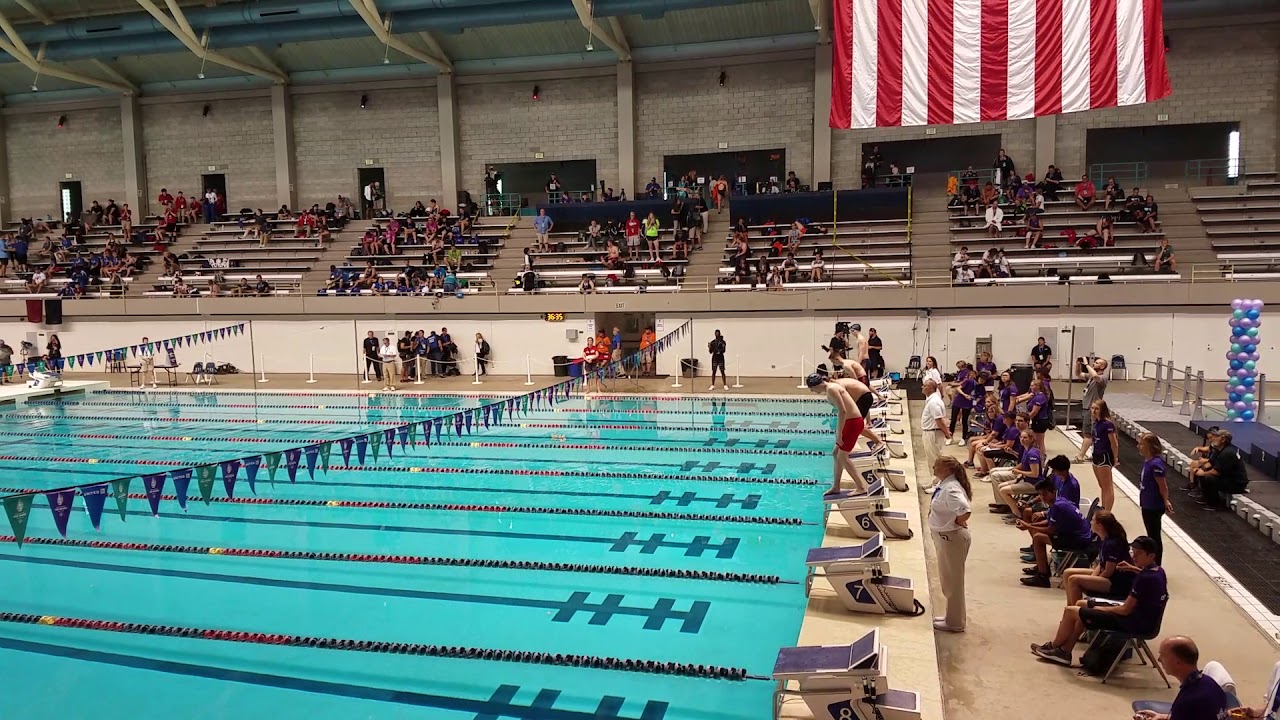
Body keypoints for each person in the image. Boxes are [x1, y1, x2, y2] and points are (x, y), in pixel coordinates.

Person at [1031, 535, 1167, 666]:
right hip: (1142, 619)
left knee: (1071, 611)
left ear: (1151, 556)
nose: (1133, 556)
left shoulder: (1144, 579)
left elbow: (1124, 610)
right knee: (1080, 604)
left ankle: (1056, 647)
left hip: (1131, 622)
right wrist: (1133, 569)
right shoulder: (1158, 572)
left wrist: (1099, 608)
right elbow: (1146, 579)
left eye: (1139, 553)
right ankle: (1065, 651)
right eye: (1134, 552)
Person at [1018, 475, 1093, 587]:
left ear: (1053, 492)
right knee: (1038, 534)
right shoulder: (1058, 501)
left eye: (1044, 494)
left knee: (1038, 538)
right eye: (1040, 494)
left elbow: (1050, 530)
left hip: (1079, 540)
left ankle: (1042, 576)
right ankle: (1042, 566)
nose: (1042, 497)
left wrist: (1028, 526)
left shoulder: (1058, 506)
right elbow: (1049, 522)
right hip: (1078, 535)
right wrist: (1030, 525)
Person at [806, 373, 873, 495]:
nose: (812, 391)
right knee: (835, 453)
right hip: (851, 422)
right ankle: (836, 486)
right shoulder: (831, 387)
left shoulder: (831, 389)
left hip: (852, 423)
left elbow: (842, 411)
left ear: (816, 385)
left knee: (842, 457)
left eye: (811, 389)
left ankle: (861, 487)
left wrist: (839, 433)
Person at [1133, 637, 1229, 720]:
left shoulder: (1189, 701)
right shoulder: (1209, 683)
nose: (1159, 659)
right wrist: (1164, 716)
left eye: (1163, 655)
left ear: (1178, 662)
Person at [929, 455, 972, 633]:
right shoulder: (944, 484)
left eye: (936, 466)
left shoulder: (952, 488)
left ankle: (955, 622)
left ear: (946, 469)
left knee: (953, 582)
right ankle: (951, 615)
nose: (933, 468)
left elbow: (964, 510)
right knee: (947, 580)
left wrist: (957, 522)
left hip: (951, 538)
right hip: (944, 537)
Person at [1061, 510, 1132, 606]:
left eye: (1093, 520)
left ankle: (1076, 612)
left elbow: (1108, 571)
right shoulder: (1102, 538)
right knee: (1067, 573)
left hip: (1115, 582)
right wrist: (1092, 577)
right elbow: (1101, 563)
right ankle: (1070, 608)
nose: (1090, 522)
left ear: (1100, 526)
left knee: (1074, 580)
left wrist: (1091, 581)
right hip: (1105, 574)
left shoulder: (1112, 544)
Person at [1138, 432, 1174, 565]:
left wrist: (1165, 500)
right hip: (1147, 502)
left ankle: (1156, 564)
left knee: (1154, 536)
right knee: (1151, 534)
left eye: (1141, 444)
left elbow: (1162, 486)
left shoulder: (1156, 464)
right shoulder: (1148, 461)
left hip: (1153, 505)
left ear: (1150, 446)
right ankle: (1151, 562)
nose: (1138, 446)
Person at [1077, 400, 1120, 510]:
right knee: (1102, 486)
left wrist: (1114, 458)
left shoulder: (1107, 424)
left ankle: (1107, 512)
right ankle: (1103, 508)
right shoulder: (1096, 422)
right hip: (1096, 455)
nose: (1094, 411)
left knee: (1107, 487)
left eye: (1096, 409)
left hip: (1105, 456)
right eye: (1092, 408)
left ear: (1102, 410)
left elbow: (1114, 443)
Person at [989, 429, 1041, 515]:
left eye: (1025, 438)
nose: (1022, 439)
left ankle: (1017, 514)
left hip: (1033, 483)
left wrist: (1019, 471)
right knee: (1000, 486)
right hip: (1026, 479)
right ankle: (1008, 506)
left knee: (1003, 490)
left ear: (1031, 439)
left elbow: (1035, 474)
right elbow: (1023, 463)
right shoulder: (1027, 449)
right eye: (1021, 437)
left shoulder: (1032, 454)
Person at [1193, 431, 1249, 510]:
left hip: (1236, 483)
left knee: (1209, 478)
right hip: (1227, 478)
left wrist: (1203, 473)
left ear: (1223, 440)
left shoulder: (1227, 453)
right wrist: (1201, 469)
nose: (1213, 439)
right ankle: (1206, 497)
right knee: (1201, 473)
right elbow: (1210, 462)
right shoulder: (1218, 450)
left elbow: (1216, 472)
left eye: (1216, 437)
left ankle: (1215, 504)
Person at [918, 378, 951, 487]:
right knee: (931, 458)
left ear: (930, 388)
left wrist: (947, 433)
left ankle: (938, 483)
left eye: (924, 386)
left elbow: (940, 420)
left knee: (935, 459)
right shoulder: (931, 399)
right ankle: (934, 481)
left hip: (933, 433)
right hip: (930, 431)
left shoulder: (934, 402)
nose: (922, 387)